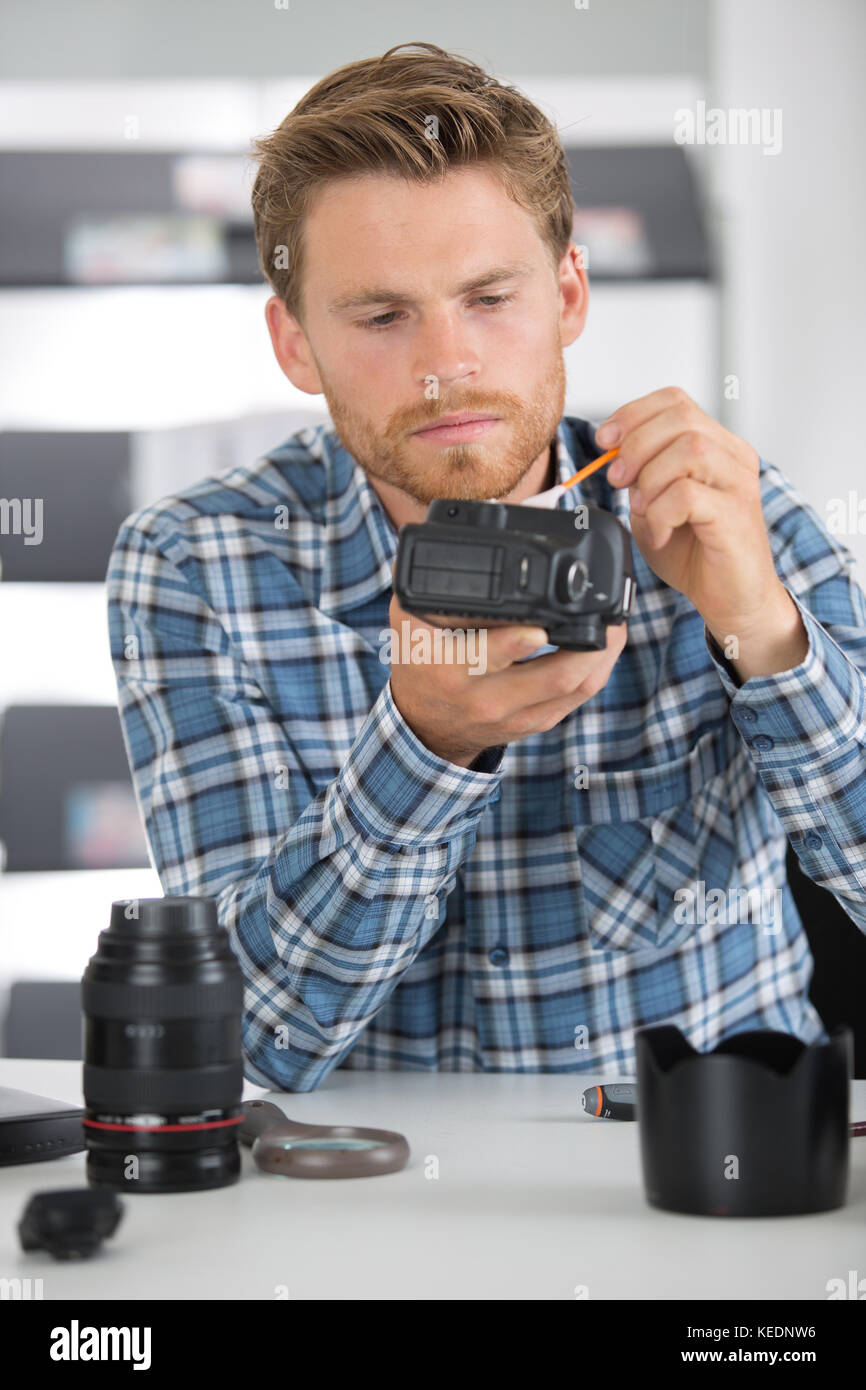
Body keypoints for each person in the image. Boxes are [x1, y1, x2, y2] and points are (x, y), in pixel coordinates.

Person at [106, 42, 866, 1092]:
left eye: (489, 298)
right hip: (372, 1197)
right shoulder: (197, 566)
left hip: (706, 1172)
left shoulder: (727, 506)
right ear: (294, 344)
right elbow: (259, 1035)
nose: (446, 361)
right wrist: (424, 747)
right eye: (380, 315)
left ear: (567, 295)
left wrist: (763, 633)